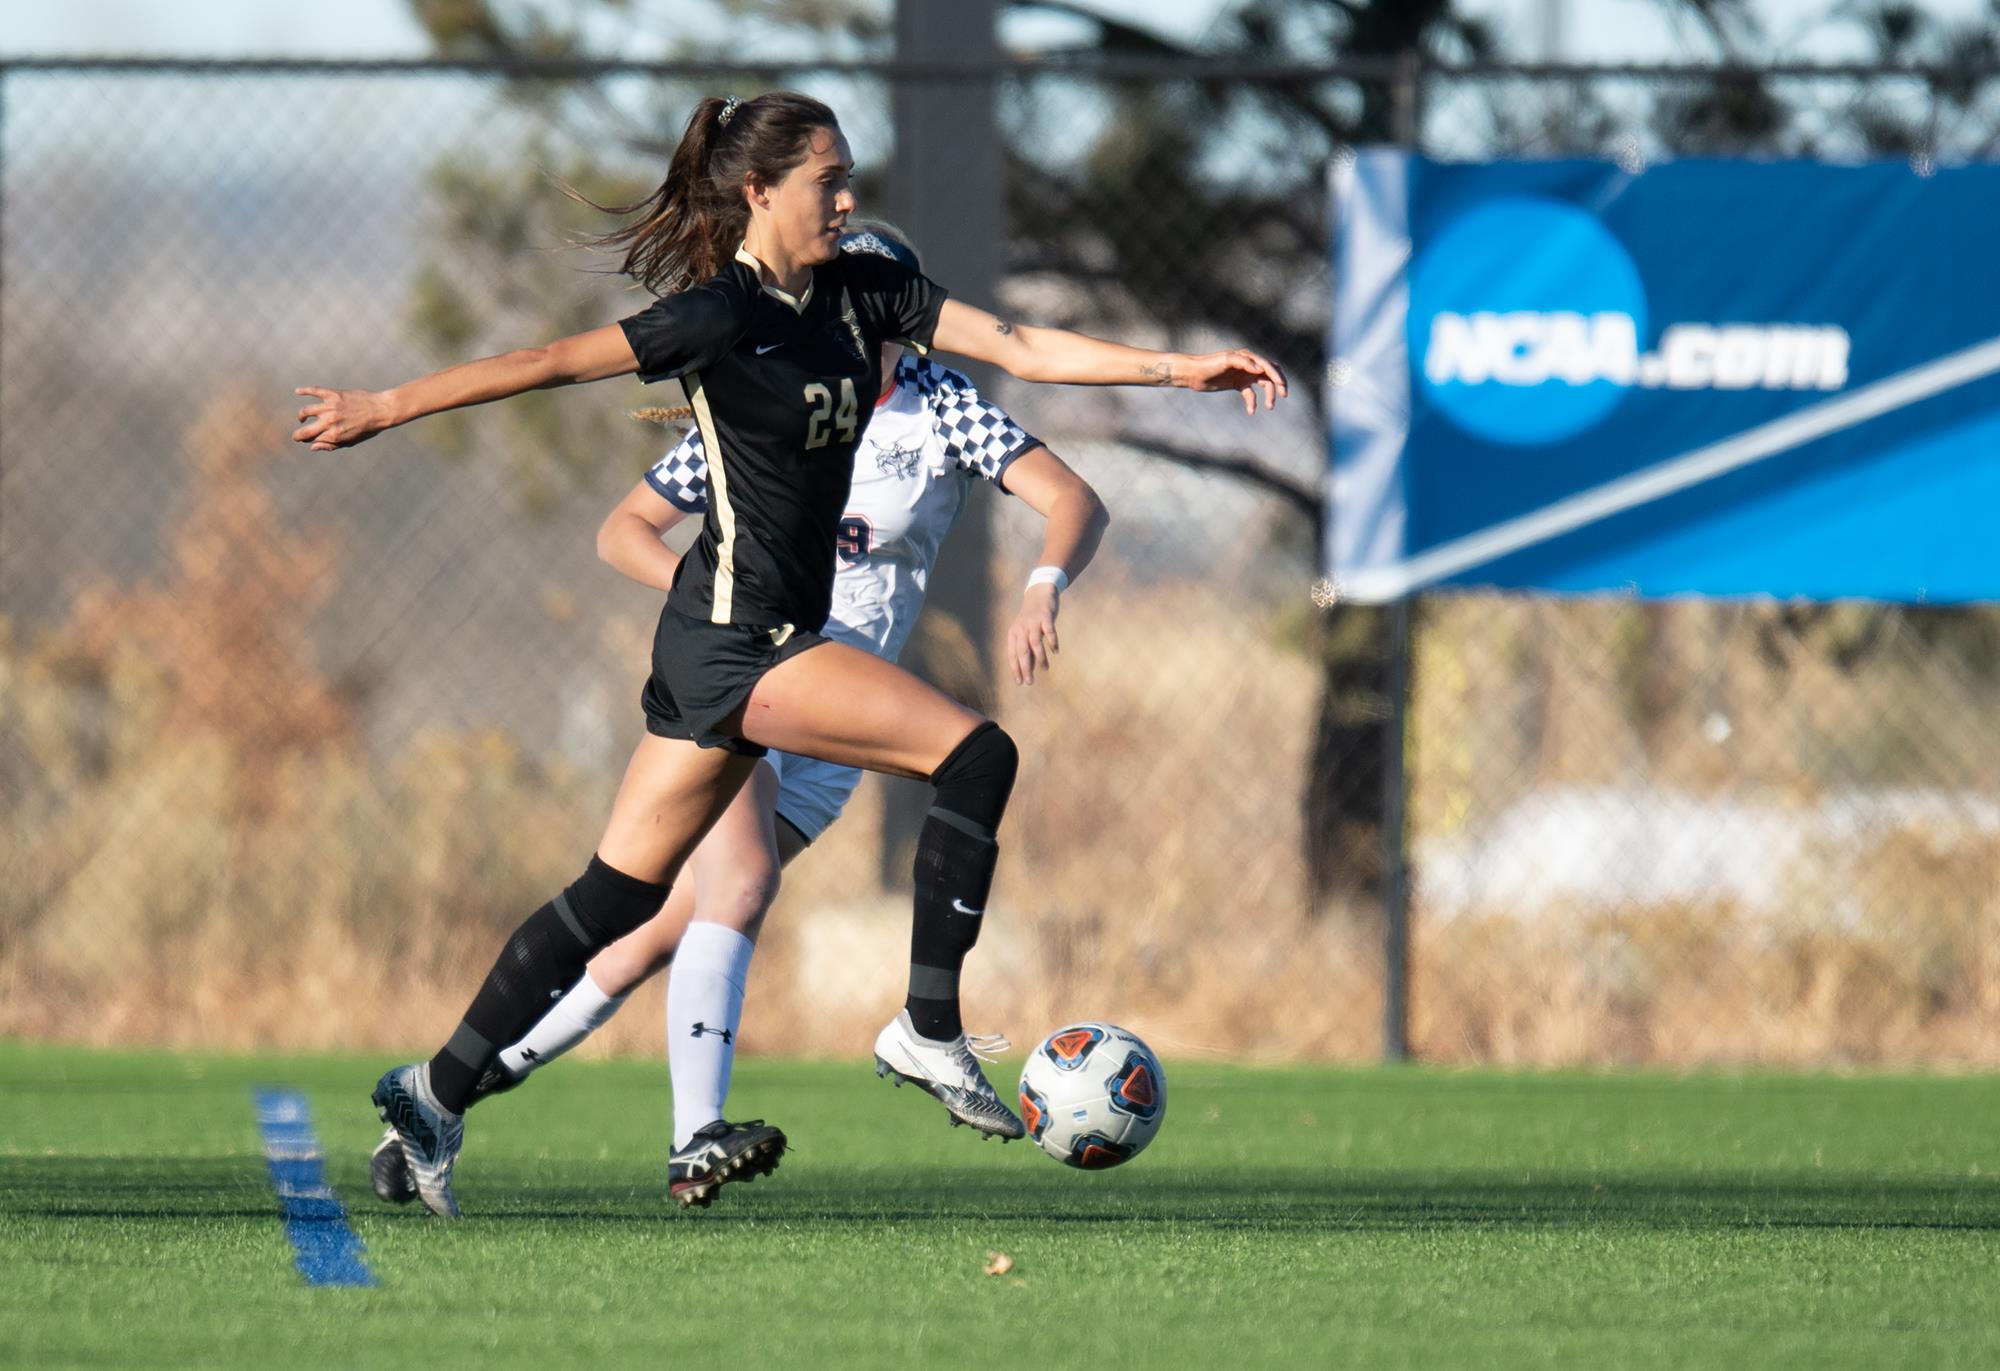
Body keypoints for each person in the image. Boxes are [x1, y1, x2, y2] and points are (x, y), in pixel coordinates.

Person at [294, 90, 1286, 1219]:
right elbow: (551, 361)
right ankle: (924, 1029)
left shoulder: (867, 291)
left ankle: (432, 1092)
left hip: (727, 648)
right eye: (829, 179)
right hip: (742, 644)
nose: (849, 198)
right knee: (973, 757)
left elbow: (1018, 344)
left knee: (610, 900)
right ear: (759, 192)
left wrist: (1180, 368)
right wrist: (388, 404)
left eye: (850, 174)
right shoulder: (718, 316)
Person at [368, 224, 1109, 1210]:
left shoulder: (937, 405)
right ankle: (699, 1140)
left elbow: (1066, 492)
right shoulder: (766, 387)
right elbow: (623, 525)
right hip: (757, 668)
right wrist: (714, 596)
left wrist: (1042, 583)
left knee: (643, 915)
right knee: (750, 879)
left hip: (842, 713)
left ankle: (442, 1091)